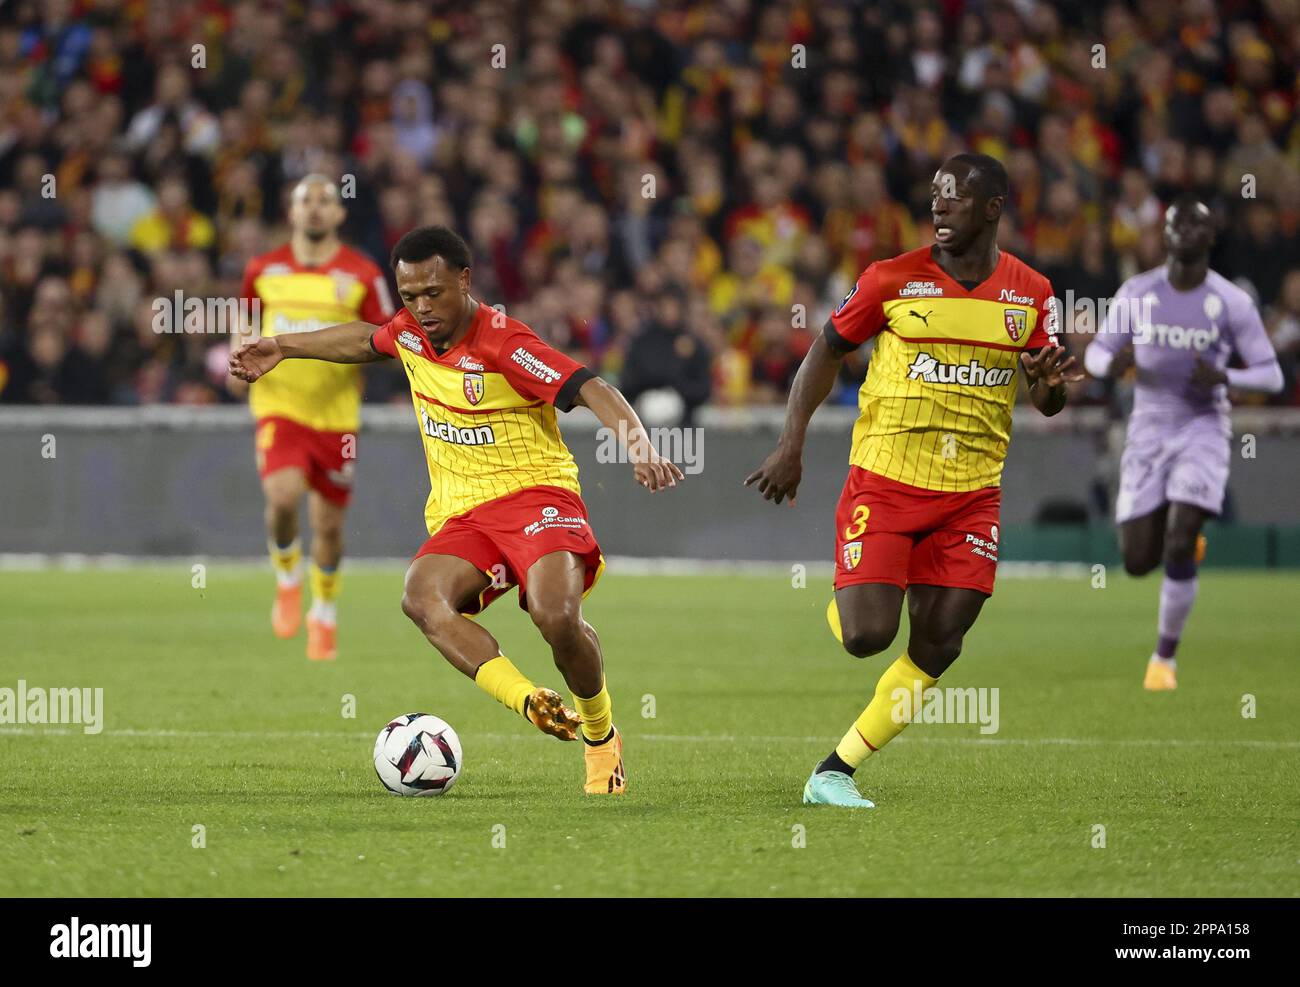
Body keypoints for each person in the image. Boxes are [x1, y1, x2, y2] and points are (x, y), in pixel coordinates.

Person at [230, 225, 683, 794]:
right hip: (463, 514)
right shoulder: (413, 332)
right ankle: (530, 700)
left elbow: (592, 387)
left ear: (465, 281)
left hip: (537, 494)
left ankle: (601, 735)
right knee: (420, 597)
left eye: (434, 293)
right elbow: (366, 340)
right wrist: (286, 347)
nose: (421, 308)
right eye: (410, 296)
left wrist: (639, 448)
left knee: (555, 615)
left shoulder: (504, 343)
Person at [746, 153, 1081, 808]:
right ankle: (852, 596)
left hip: (973, 492)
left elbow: (1048, 395)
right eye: (935, 196)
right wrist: (792, 443)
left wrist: (1047, 389)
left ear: (992, 208)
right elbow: (826, 350)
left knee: (943, 637)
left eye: (954, 197)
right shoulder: (891, 279)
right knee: (868, 636)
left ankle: (833, 770)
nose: (940, 207)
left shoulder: (1031, 292)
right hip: (887, 479)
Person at [1084, 198, 1283, 690]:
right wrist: (1112, 364)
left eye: (1198, 223)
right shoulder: (1138, 291)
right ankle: (1183, 541)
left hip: (1202, 427)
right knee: (1135, 560)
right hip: (1148, 429)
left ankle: (1163, 660)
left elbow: (1272, 373)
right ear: (1165, 233)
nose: (1187, 230)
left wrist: (1226, 375)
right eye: (1178, 222)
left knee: (1177, 539)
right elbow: (1095, 354)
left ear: (1210, 236)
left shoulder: (1230, 301)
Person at [230, 174, 394, 661]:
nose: (317, 209)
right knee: (282, 497)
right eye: (307, 200)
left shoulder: (362, 274)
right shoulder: (263, 268)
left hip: (336, 417)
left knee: (328, 526)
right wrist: (237, 357)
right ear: (292, 211)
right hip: (279, 406)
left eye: (326, 201)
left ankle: (323, 611)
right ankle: (286, 576)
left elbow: (383, 339)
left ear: (340, 215)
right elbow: (245, 318)